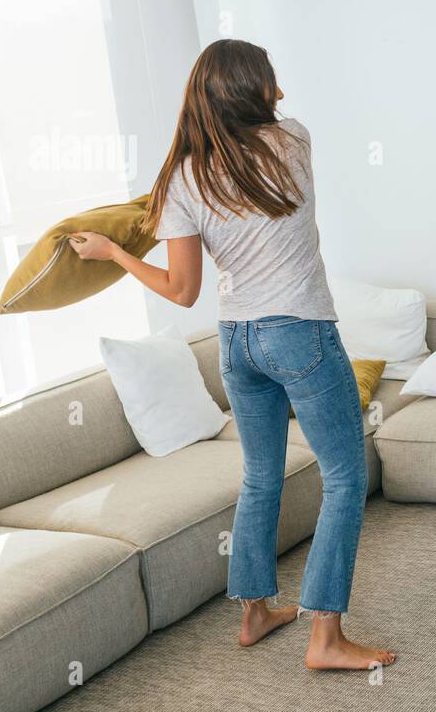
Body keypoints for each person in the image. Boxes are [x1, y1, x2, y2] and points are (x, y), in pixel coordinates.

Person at [70, 38, 396, 664]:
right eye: (272, 80)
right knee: (347, 475)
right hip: (298, 332)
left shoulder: (181, 179)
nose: (281, 91)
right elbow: (270, 129)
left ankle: (253, 613)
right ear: (256, 90)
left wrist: (113, 253)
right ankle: (325, 637)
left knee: (261, 476)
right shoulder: (293, 140)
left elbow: (182, 290)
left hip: (236, 343)